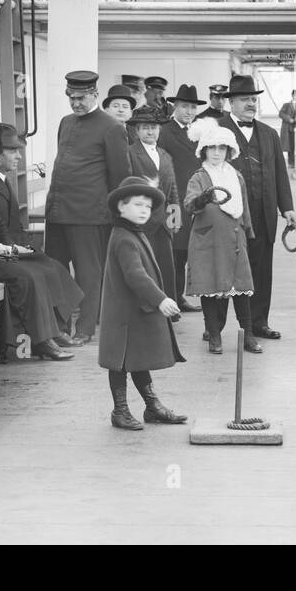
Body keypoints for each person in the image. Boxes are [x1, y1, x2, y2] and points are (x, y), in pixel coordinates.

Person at [0, 131, 76, 361]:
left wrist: (11, 248)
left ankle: (53, 331)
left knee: (39, 265)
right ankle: (41, 342)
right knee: (26, 276)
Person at [44, 70, 133, 344]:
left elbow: (120, 175)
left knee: (88, 274)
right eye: (71, 97)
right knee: (56, 272)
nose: (75, 103)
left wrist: (117, 216)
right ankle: (58, 328)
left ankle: (84, 329)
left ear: (95, 94)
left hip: (90, 215)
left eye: (81, 98)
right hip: (58, 212)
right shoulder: (66, 122)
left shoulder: (112, 127)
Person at [99, 176, 187, 430]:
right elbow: (135, 275)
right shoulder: (124, 237)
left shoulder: (132, 232)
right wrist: (160, 299)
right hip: (123, 314)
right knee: (120, 362)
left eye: (148, 207)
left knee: (134, 358)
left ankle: (152, 406)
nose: (144, 211)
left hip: (133, 310)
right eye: (138, 205)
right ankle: (120, 411)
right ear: (121, 207)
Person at [218, 74, 296, 340]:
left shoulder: (269, 133)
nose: (251, 104)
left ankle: (258, 323)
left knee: (261, 271)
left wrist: (287, 208)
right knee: (224, 271)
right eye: (245, 99)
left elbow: (280, 174)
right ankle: (214, 326)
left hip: (263, 216)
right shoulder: (217, 131)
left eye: (253, 99)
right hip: (228, 216)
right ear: (232, 103)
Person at [183, 118, 258, 355]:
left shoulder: (236, 176)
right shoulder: (199, 176)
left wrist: (248, 232)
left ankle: (248, 334)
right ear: (204, 150)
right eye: (212, 148)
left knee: (241, 288)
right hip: (209, 241)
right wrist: (203, 198)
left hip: (235, 240)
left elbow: (244, 207)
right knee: (211, 288)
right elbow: (189, 204)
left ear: (229, 150)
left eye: (222, 148)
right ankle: (214, 334)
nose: (217, 153)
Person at [158, 83, 206, 312]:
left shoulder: (200, 131)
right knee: (173, 251)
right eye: (184, 106)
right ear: (174, 107)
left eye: (192, 107)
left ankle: (179, 296)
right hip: (173, 201)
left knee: (187, 250)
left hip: (195, 200)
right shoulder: (164, 131)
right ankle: (170, 297)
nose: (189, 111)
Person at [126, 104, 180, 301]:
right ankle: (145, 308)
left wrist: (175, 218)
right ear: (137, 130)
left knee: (165, 266)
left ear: (159, 130)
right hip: (141, 222)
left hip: (163, 223)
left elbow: (173, 189)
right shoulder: (130, 153)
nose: (150, 131)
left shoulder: (165, 155)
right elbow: (126, 186)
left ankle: (168, 309)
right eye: (145, 127)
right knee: (143, 266)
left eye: (154, 127)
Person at [278, 89, 296, 165]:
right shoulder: (286, 105)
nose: (295, 96)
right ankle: (290, 163)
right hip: (288, 129)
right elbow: (280, 114)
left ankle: (295, 163)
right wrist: (288, 119)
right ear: (292, 95)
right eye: (294, 95)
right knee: (289, 146)